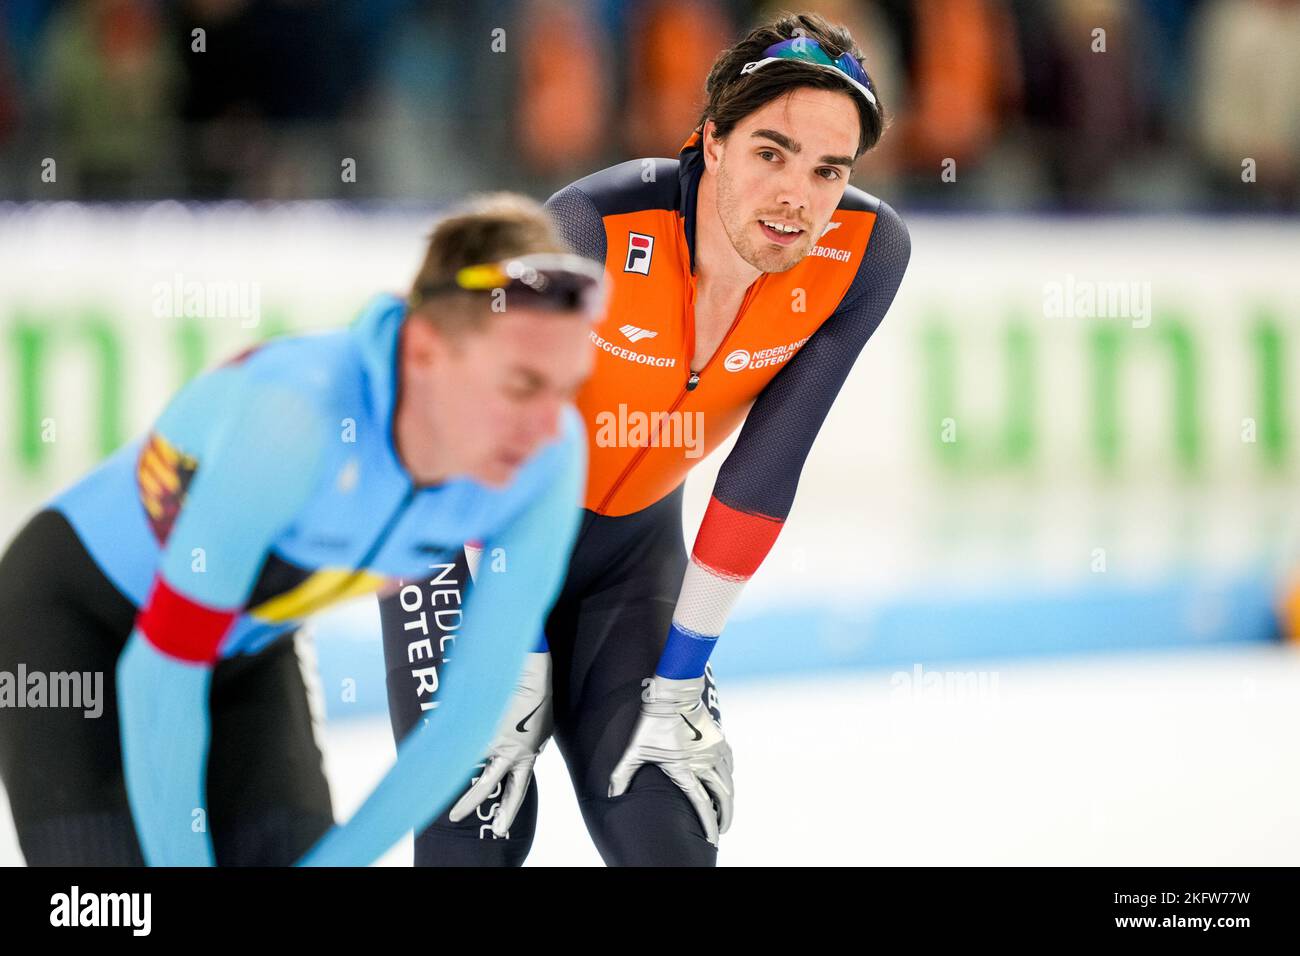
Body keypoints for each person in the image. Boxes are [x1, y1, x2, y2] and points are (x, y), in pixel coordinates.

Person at [381, 11, 912, 866]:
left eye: (827, 171)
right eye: (770, 153)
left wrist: (685, 672)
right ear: (711, 140)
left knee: (665, 836)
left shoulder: (865, 254)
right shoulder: (592, 224)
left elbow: (765, 471)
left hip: (628, 559)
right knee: (478, 835)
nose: (796, 198)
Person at [0, 193, 602, 866]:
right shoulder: (297, 419)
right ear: (427, 351)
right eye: (521, 386)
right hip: (74, 627)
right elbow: (159, 673)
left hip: (245, 652)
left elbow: (467, 715)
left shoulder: (547, 457)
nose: (550, 425)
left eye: (567, 388)